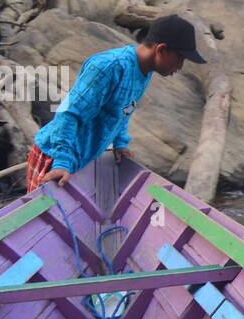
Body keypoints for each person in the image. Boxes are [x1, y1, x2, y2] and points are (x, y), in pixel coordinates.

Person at [26, 13, 206, 190]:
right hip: (54, 158)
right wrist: (62, 162)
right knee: (45, 209)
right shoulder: (109, 67)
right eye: (180, 58)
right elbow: (69, 113)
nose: (180, 66)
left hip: (81, 159)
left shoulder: (144, 71)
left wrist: (120, 143)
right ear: (161, 49)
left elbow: (123, 110)